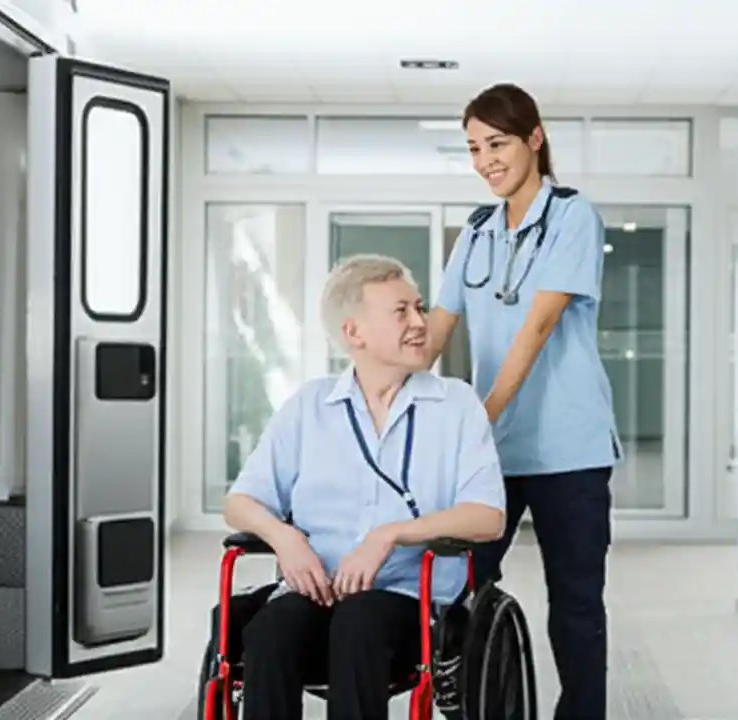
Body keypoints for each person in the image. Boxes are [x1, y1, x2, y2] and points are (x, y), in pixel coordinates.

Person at [223, 254, 507, 720]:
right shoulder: (309, 405)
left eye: (419, 308)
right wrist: (284, 538)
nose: (421, 322)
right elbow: (240, 502)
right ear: (354, 333)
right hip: (317, 588)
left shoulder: (455, 405)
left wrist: (389, 534)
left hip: (409, 600)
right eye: (402, 312)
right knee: (269, 629)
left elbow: (487, 516)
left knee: (360, 623)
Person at [425, 83, 622, 719]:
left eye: (498, 143)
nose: (485, 159)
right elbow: (438, 326)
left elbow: (537, 327)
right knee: (458, 582)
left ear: (534, 139)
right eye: (474, 147)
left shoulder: (572, 217)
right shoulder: (476, 233)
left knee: (575, 605)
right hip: (496, 455)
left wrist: (479, 417)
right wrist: (381, 393)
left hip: (569, 447)